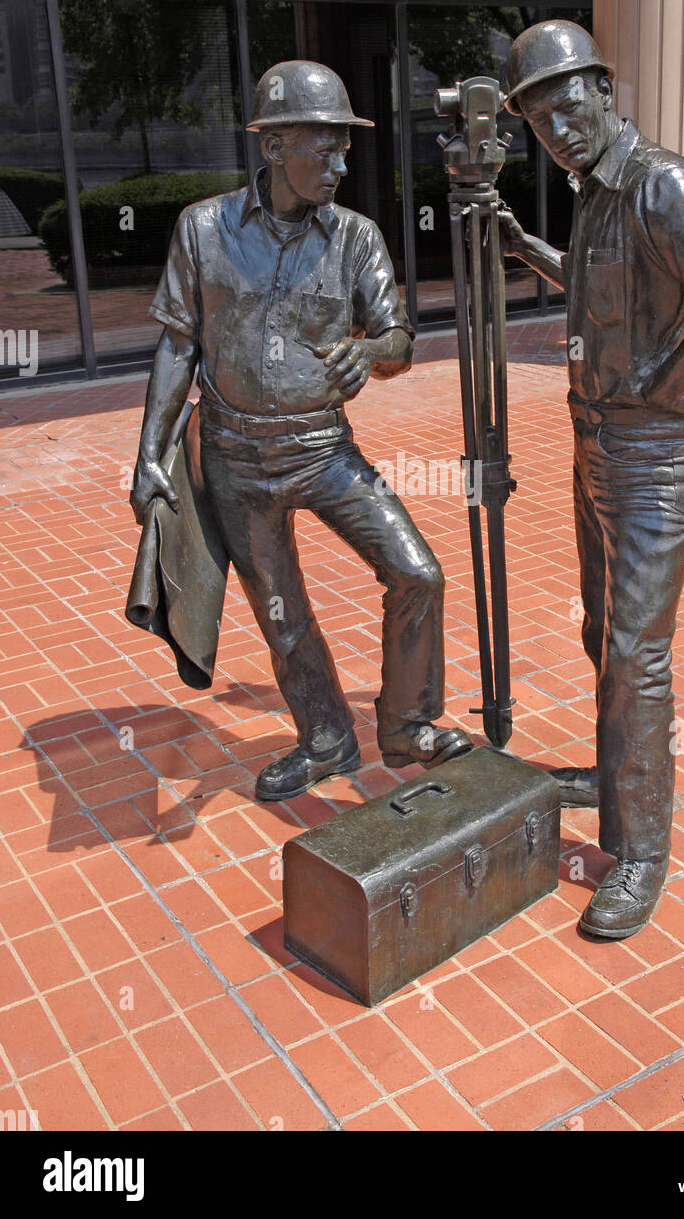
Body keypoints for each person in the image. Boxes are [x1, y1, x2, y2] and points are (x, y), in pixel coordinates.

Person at [130, 59, 471, 801]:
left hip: (324, 449)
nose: (342, 164)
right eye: (327, 147)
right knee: (282, 614)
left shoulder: (355, 237)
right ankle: (325, 739)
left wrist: (371, 354)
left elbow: (399, 338)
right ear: (274, 145)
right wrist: (150, 452)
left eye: (346, 148)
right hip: (233, 459)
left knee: (417, 572)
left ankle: (408, 724)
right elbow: (178, 343)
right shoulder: (203, 230)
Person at [498, 21, 684, 938]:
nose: (560, 130)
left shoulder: (659, 182)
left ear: (605, 91)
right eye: (541, 121)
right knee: (600, 628)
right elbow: (595, 283)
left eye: (570, 107)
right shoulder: (598, 194)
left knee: (637, 658)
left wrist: (667, 384)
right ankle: (616, 776)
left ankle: (642, 850)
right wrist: (524, 246)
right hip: (595, 446)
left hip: (650, 458)